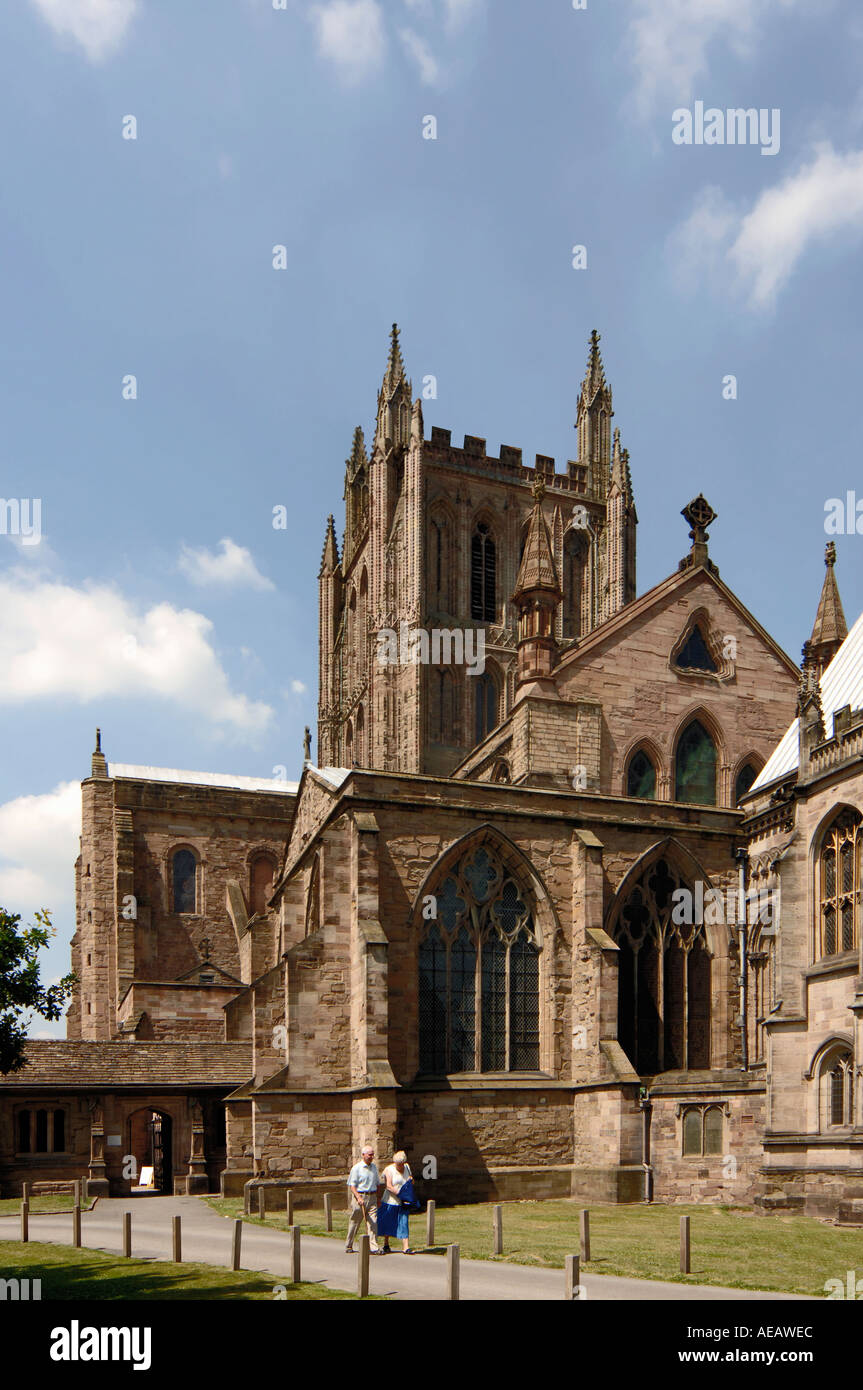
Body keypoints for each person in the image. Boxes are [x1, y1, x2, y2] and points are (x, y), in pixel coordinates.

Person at [345, 1145, 381, 1254]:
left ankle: (373, 1247)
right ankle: (349, 1245)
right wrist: (358, 1197)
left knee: (373, 1223)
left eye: (372, 1155)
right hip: (360, 1197)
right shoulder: (357, 1168)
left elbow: (377, 1183)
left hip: (372, 1197)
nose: (371, 1157)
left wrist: (377, 1197)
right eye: (369, 1155)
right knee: (355, 1222)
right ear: (363, 1155)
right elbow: (352, 1185)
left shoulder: (374, 1167)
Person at [379, 1150, 414, 1253]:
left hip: (403, 1201)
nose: (401, 1166)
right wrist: (400, 1193)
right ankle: (386, 1244)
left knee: (404, 1221)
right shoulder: (389, 1169)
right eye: (399, 1164)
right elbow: (389, 1186)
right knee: (388, 1222)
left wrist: (409, 1186)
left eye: (402, 1164)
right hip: (390, 1200)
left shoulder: (407, 1167)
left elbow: (410, 1179)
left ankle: (406, 1246)